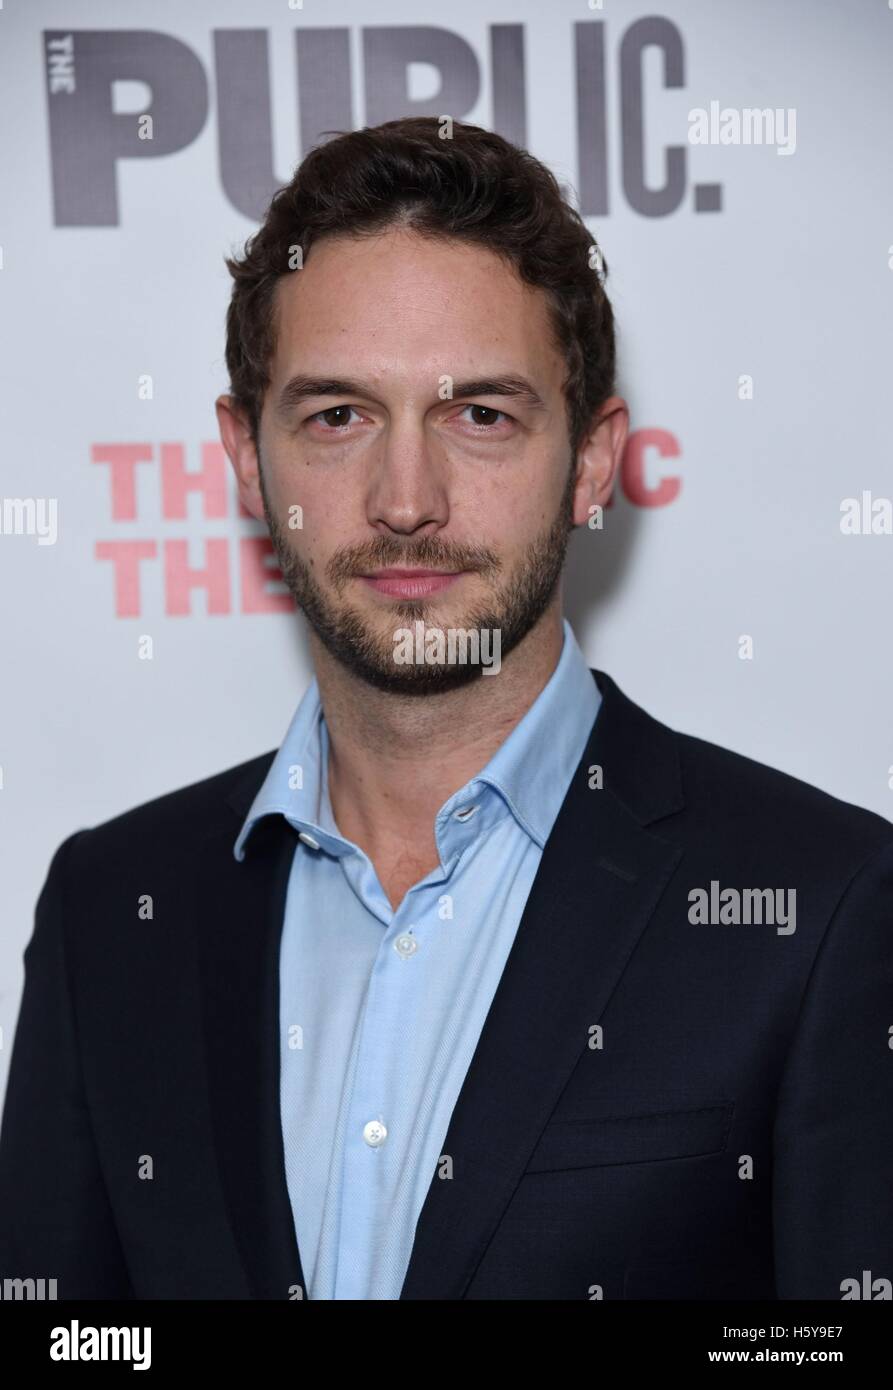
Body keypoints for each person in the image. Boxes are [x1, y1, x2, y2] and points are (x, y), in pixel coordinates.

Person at [1, 117, 891, 1301]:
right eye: (337, 416)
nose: (405, 500)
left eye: (479, 414)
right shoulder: (111, 908)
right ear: (243, 455)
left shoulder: (819, 902)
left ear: (588, 462)